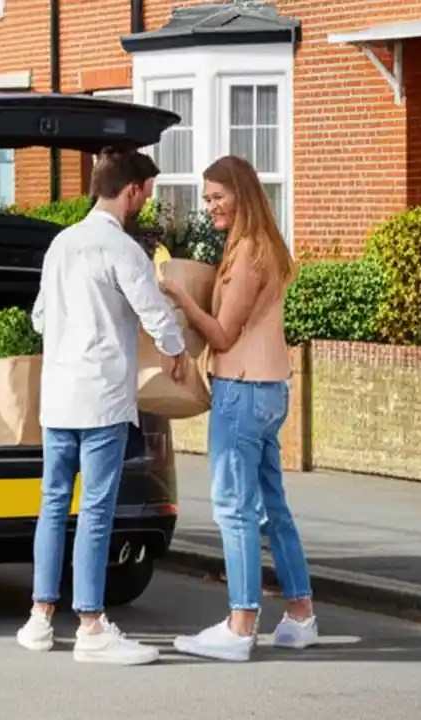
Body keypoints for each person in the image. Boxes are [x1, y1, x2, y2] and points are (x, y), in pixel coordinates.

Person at [16, 149, 187, 664]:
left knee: (52, 504)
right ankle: (91, 624)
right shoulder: (121, 248)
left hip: (58, 398)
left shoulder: (60, 244)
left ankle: (40, 620)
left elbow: (40, 318)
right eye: (147, 193)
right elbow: (153, 310)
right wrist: (176, 351)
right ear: (131, 190)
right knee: (95, 511)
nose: (146, 203)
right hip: (102, 401)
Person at [161, 155, 318, 662]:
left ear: (241, 193)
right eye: (206, 199)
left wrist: (182, 297)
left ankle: (241, 624)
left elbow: (224, 333)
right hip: (270, 390)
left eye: (216, 196)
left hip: (243, 390)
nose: (209, 207)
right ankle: (300, 615)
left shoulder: (249, 250)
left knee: (233, 507)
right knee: (273, 507)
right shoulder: (265, 244)